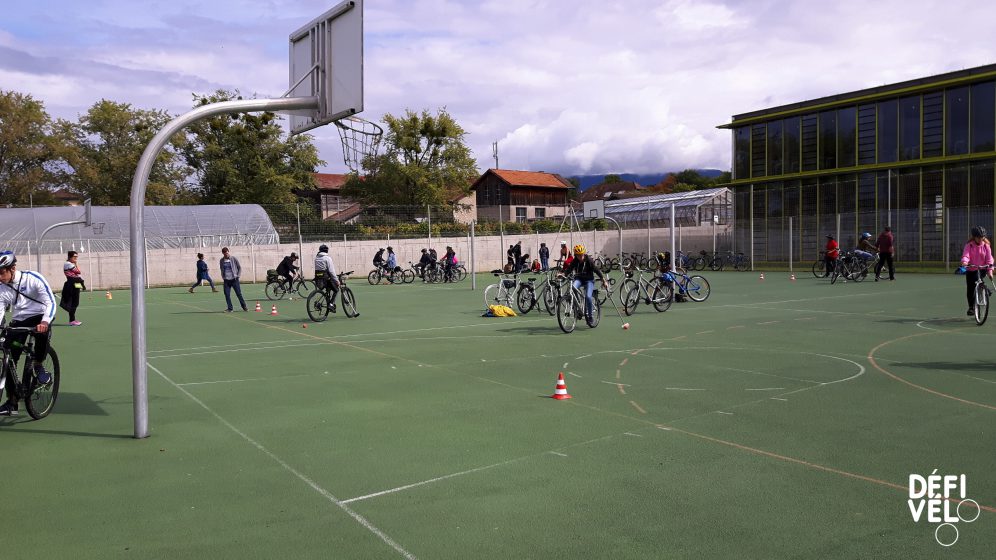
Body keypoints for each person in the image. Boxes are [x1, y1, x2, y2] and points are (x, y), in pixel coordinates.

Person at [0, 251, 56, 415]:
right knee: (8, 353)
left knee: (41, 335)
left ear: (13, 268)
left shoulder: (33, 278)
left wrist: (45, 321)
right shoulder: (2, 288)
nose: (0, 277)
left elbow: (50, 301)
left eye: (2, 272)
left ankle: (38, 365)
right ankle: (12, 403)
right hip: (19, 320)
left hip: (40, 315)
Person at [559, 244, 608, 320]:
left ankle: (590, 316)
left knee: (588, 297)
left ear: (584, 253)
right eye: (578, 255)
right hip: (579, 279)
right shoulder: (575, 260)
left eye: (581, 255)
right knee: (573, 287)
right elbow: (569, 269)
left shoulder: (589, 260)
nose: (580, 257)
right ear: (576, 255)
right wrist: (563, 274)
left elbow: (596, 270)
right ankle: (578, 304)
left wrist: (603, 280)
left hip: (589, 280)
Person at [959, 226, 993, 316]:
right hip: (971, 269)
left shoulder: (986, 246)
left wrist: (990, 271)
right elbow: (966, 255)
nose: (981, 239)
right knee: (970, 288)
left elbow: (989, 260)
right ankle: (971, 308)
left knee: (977, 278)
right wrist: (965, 262)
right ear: (974, 237)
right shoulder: (969, 245)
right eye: (979, 237)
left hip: (982, 269)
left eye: (982, 237)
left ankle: (984, 288)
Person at [219, 247, 248, 312]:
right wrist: (223, 276)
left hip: (234, 280)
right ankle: (230, 308)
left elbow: (239, 267)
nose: (226, 254)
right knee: (226, 294)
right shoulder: (221, 260)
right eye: (224, 254)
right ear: (223, 253)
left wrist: (238, 276)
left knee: (238, 294)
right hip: (226, 280)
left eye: (227, 253)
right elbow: (221, 268)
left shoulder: (233, 258)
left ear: (228, 252)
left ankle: (244, 306)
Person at [61, 250, 85, 326]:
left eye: (76, 257)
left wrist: (82, 286)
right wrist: (75, 264)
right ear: (70, 257)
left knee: (76, 302)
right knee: (74, 302)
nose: (76, 258)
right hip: (72, 284)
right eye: (74, 256)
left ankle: (73, 319)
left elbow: (77, 274)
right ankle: (72, 320)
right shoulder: (68, 264)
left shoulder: (71, 264)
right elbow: (78, 272)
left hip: (76, 283)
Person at [314, 244, 339, 313]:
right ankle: (331, 304)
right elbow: (331, 271)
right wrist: (336, 280)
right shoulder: (327, 258)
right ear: (327, 250)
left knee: (328, 288)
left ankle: (324, 302)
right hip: (325, 279)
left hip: (318, 279)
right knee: (336, 289)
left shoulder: (316, 258)